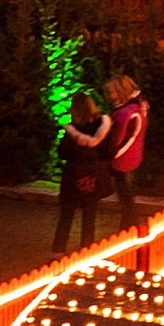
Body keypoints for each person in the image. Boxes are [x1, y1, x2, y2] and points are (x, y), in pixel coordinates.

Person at [53, 91, 114, 252]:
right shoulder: (101, 127)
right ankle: (86, 250)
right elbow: (109, 151)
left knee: (66, 216)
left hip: (73, 174)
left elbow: (62, 153)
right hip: (94, 173)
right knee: (89, 216)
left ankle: (58, 250)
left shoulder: (72, 130)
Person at [104, 70, 150, 230]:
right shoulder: (138, 108)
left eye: (112, 92)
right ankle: (127, 226)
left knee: (126, 197)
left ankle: (131, 228)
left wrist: (111, 155)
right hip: (132, 156)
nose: (110, 96)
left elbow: (119, 138)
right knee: (126, 196)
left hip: (122, 159)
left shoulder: (124, 113)